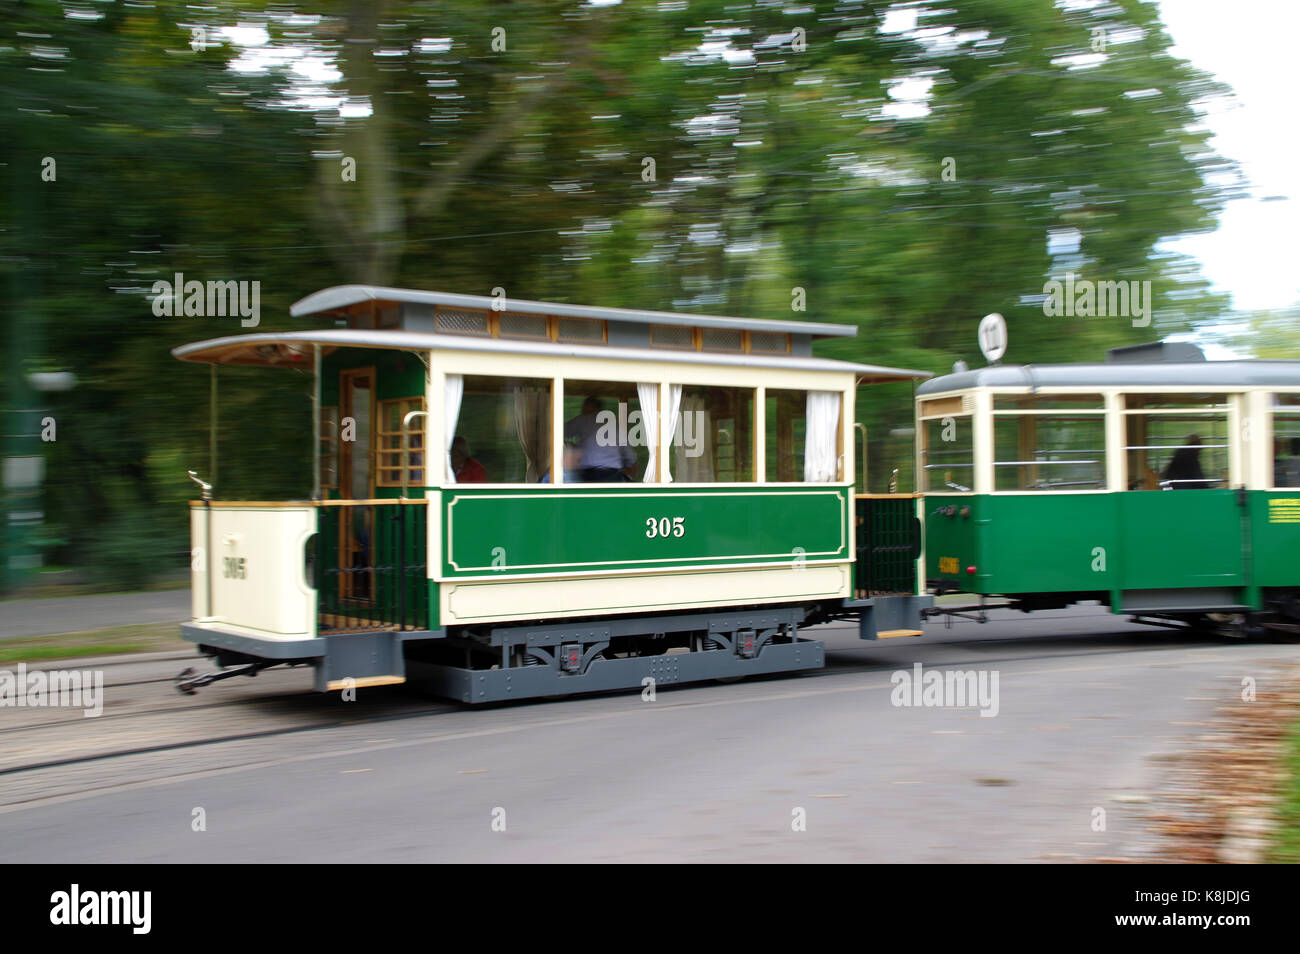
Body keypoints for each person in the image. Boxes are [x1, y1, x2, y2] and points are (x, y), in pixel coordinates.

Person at [563, 396, 636, 482]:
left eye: (583, 407)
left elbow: (558, 432)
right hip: (613, 477)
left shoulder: (583, 419)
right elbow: (630, 457)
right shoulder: (616, 425)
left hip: (589, 476)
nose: (582, 410)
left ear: (588, 406)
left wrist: (570, 446)